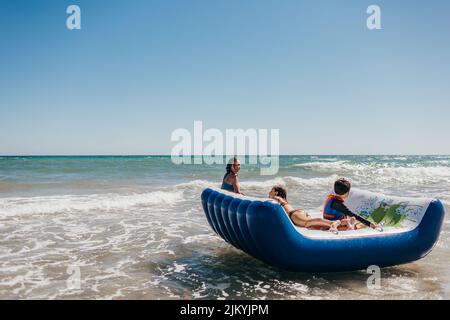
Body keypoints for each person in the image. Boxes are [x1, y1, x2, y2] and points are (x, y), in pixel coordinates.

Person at [269, 185, 341, 232]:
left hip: (294, 215)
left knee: (308, 223)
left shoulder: (276, 198)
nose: (269, 192)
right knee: (317, 226)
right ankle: (345, 223)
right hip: (298, 213)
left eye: (271, 191)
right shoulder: (284, 200)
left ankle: (333, 223)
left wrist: (273, 198)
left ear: (276, 193)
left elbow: (278, 201)